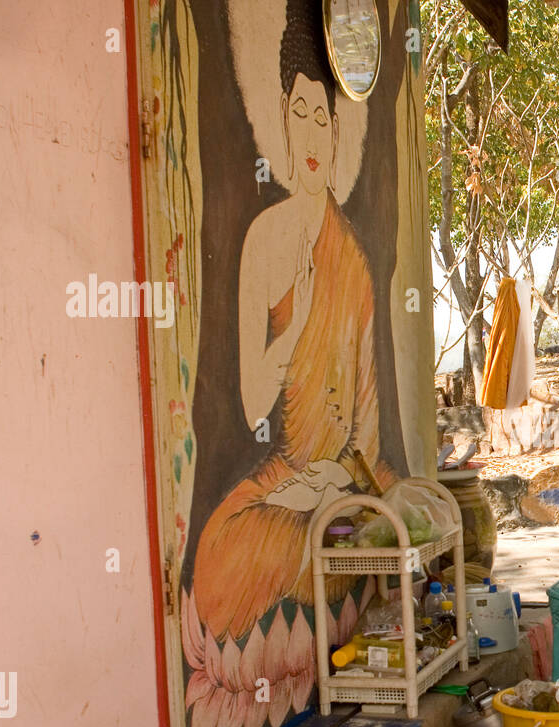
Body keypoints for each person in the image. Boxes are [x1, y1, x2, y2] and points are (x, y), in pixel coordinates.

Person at [193, 0, 385, 642]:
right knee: (224, 554)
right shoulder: (262, 241)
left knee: (365, 521)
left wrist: (345, 478)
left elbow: (366, 425)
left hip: (337, 485)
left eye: (322, 117)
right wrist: (294, 324)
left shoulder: (352, 259)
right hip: (283, 488)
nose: (310, 134)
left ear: (337, 132)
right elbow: (253, 404)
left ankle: (326, 533)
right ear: (280, 120)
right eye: (297, 113)